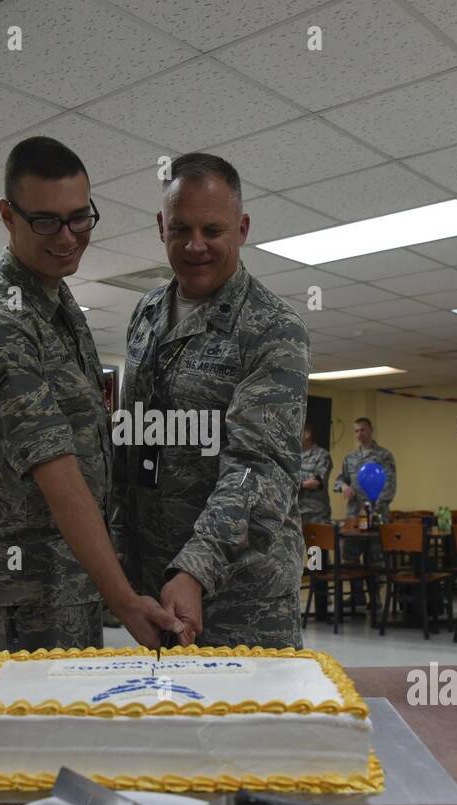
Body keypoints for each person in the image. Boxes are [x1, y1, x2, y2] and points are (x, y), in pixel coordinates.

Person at [0, 136, 182, 664]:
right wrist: (124, 599)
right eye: (47, 221)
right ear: (8, 215)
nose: (68, 237)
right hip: (18, 586)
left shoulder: (55, 299)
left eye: (81, 218)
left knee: (66, 735)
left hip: (64, 573)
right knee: (27, 738)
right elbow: (58, 471)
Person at [114, 152, 311, 648]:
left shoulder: (272, 329)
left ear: (241, 229)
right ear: (162, 226)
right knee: (163, 721)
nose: (195, 245)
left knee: (245, 725)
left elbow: (259, 467)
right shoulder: (146, 313)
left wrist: (196, 568)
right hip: (159, 587)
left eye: (213, 230)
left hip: (245, 597)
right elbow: (134, 437)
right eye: (180, 229)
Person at [333, 418, 395, 604]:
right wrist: (343, 486)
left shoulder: (384, 455)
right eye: (356, 431)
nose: (360, 434)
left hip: (376, 517)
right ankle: (356, 595)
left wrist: (372, 509)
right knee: (349, 556)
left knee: (375, 559)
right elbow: (338, 480)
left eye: (363, 430)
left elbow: (390, 487)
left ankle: (375, 599)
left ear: (371, 430)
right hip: (353, 517)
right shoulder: (350, 457)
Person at [299, 424, 333, 622]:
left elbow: (317, 482)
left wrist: (298, 483)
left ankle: (321, 611)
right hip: (296, 519)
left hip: (315, 518)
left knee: (317, 564)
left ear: (309, 433)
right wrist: (304, 482)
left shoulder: (322, 455)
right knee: (294, 565)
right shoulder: (294, 455)